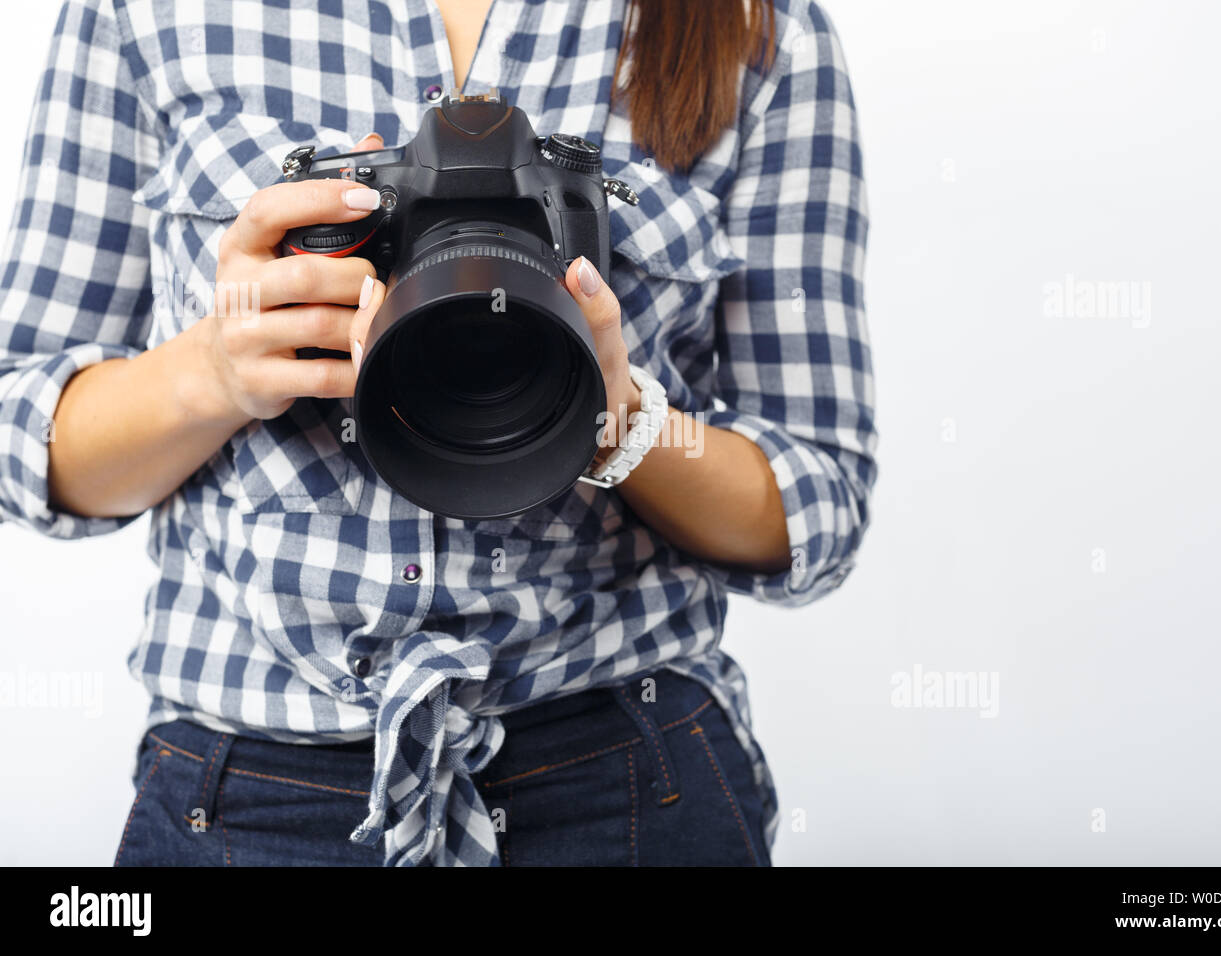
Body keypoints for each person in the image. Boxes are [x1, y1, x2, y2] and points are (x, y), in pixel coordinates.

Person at [0, 0, 875, 866]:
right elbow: (20, 438)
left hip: (629, 779)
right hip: (247, 793)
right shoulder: (146, 11)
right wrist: (214, 372)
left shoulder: (760, 27)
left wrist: (621, 422)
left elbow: (815, 512)